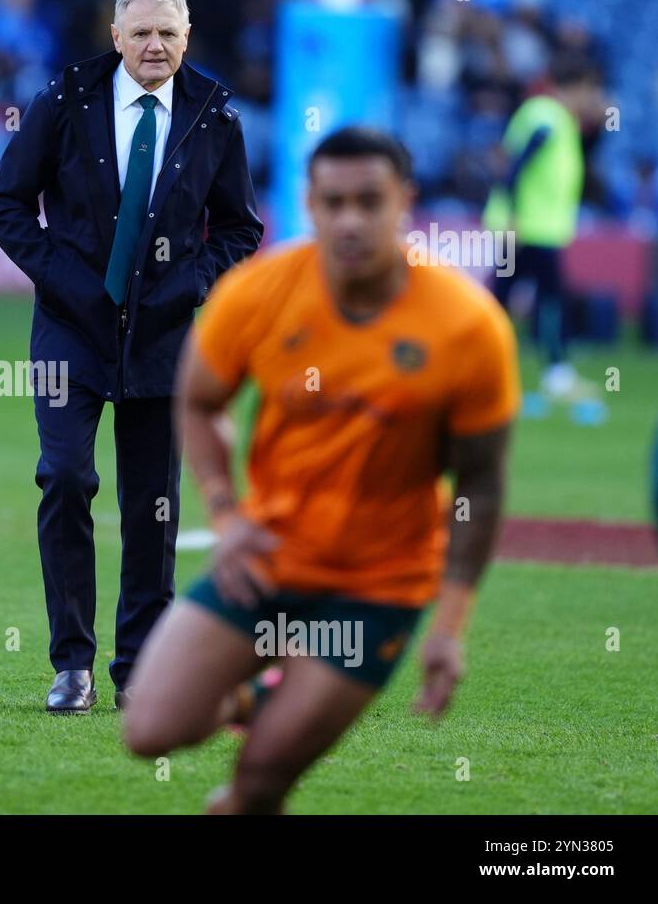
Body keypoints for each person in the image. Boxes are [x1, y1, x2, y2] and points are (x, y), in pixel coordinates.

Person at [123, 127, 519, 813]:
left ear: (405, 202)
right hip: (269, 557)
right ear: (309, 203)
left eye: (370, 201)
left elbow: (480, 488)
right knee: (149, 730)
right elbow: (198, 399)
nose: (351, 220)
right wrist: (225, 512)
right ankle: (256, 691)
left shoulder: (466, 326)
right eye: (333, 202)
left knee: (259, 780)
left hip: (379, 585)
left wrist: (450, 628)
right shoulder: (260, 292)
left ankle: (268, 715)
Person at [0, 0, 262, 713]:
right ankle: (70, 662)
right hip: (72, 329)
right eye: (141, 33)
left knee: (153, 506)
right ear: (116, 37)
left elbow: (241, 227)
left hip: (165, 339)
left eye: (168, 33)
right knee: (66, 475)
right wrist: (61, 279)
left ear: (187, 36)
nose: (155, 46)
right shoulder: (66, 100)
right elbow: (3, 202)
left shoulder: (214, 114)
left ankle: (138, 666)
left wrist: (191, 284)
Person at [483, 53, 605, 401]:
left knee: (504, 296)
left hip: (531, 225)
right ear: (579, 87)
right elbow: (517, 165)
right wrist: (514, 215)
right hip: (528, 227)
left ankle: (484, 362)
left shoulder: (551, 115)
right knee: (548, 295)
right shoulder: (547, 116)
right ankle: (555, 372)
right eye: (589, 90)